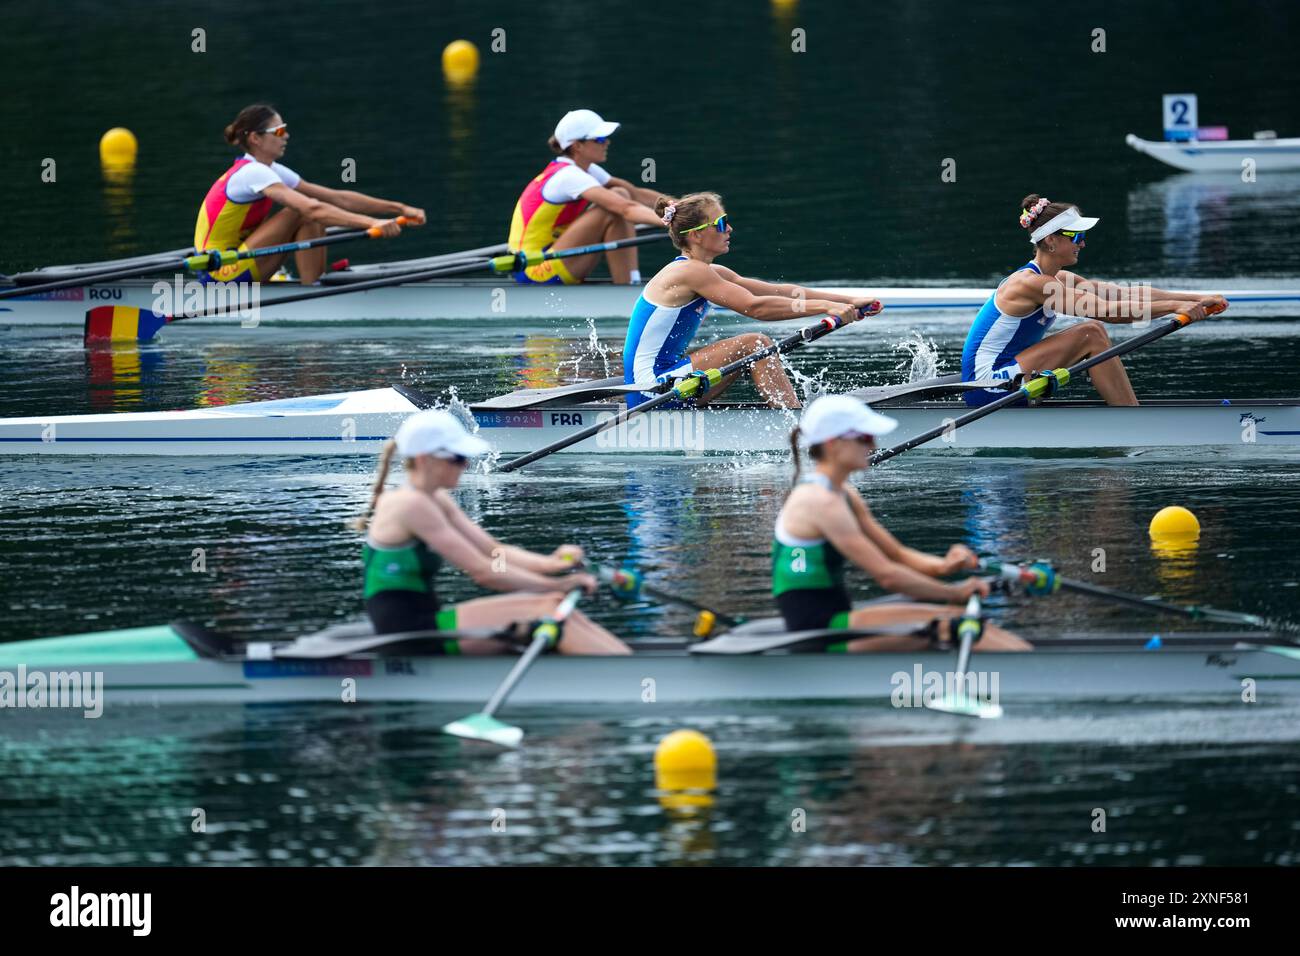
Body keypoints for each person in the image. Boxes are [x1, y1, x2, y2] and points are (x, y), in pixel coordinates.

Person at [353, 409, 630, 655]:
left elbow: (494, 551)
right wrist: (559, 584)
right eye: (458, 457)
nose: (465, 465)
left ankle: (626, 665)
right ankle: (632, 677)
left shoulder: (434, 498)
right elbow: (484, 571)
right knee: (548, 607)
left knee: (554, 604)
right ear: (426, 460)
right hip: (408, 632)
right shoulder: (411, 505)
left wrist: (552, 564)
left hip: (426, 617)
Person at [771, 395, 1031, 652]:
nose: (873, 446)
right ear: (833, 444)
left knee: (960, 618)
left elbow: (897, 554)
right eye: (864, 438)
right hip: (818, 629)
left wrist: (945, 566)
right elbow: (888, 576)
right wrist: (956, 592)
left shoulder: (846, 495)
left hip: (836, 616)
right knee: (953, 623)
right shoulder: (820, 502)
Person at [960, 194, 1226, 407]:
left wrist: (1196, 298)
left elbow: (1120, 294)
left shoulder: (1058, 278)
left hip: (1009, 377)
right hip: (987, 385)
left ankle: (1128, 414)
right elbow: (1108, 311)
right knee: (1090, 333)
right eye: (1076, 237)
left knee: (1092, 332)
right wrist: (1175, 309)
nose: (1083, 244)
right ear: (1051, 241)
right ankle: (1129, 420)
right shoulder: (1031, 284)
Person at [623, 192, 880, 410]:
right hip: (652, 390)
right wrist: (826, 308)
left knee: (753, 348)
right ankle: (795, 424)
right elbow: (755, 307)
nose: (730, 229)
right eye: (721, 224)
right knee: (755, 344)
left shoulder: (709, 271)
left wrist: (851, 300)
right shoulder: (689, 272)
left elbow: (777, 291)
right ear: (696, 235)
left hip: (671, 381)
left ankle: (790, 416)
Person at [194, 104, 426, 284]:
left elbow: (337, 197)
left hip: (239, 263)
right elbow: (312, 208)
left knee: (309, 209)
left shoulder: (269, 170)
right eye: (279, 131)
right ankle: (313, 291)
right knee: (302, 212)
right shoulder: (252, 172)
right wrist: (373, 223)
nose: (286, 136)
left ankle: (312, 287)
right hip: (219, 273)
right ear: (255, 138)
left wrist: (400, 209)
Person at [507, 109, 664, 285]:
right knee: (613, 207)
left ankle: (629, 284)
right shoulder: (568, 176)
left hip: (555, 256)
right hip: (534, 269)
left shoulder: (585, 169)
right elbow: (626, 208)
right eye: (599, 139)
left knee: (620, 193)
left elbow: (636, 195)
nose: (607, 143)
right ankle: (629, 287)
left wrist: (687, 207)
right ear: (577, 146)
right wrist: (674, 221)